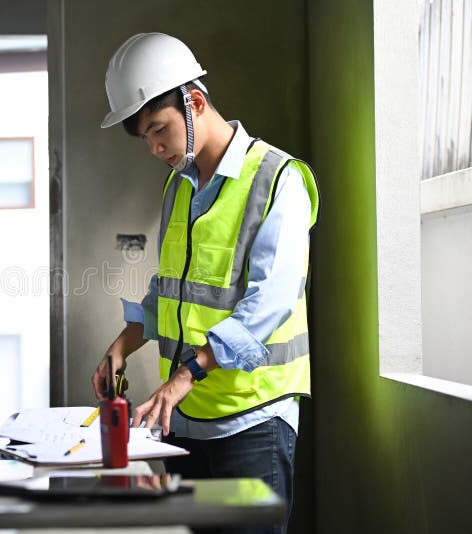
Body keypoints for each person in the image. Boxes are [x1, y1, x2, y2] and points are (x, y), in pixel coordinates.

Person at [90, 33, 319, 533]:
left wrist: (185, 374)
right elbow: (169, 289)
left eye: (159, 130)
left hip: (252, 421)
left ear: (194, 103)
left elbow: (268, 303)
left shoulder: (279, 180)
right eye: (144, 138)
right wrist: (123, 345)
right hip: (185, 421)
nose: (154, 149)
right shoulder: (180, 185)